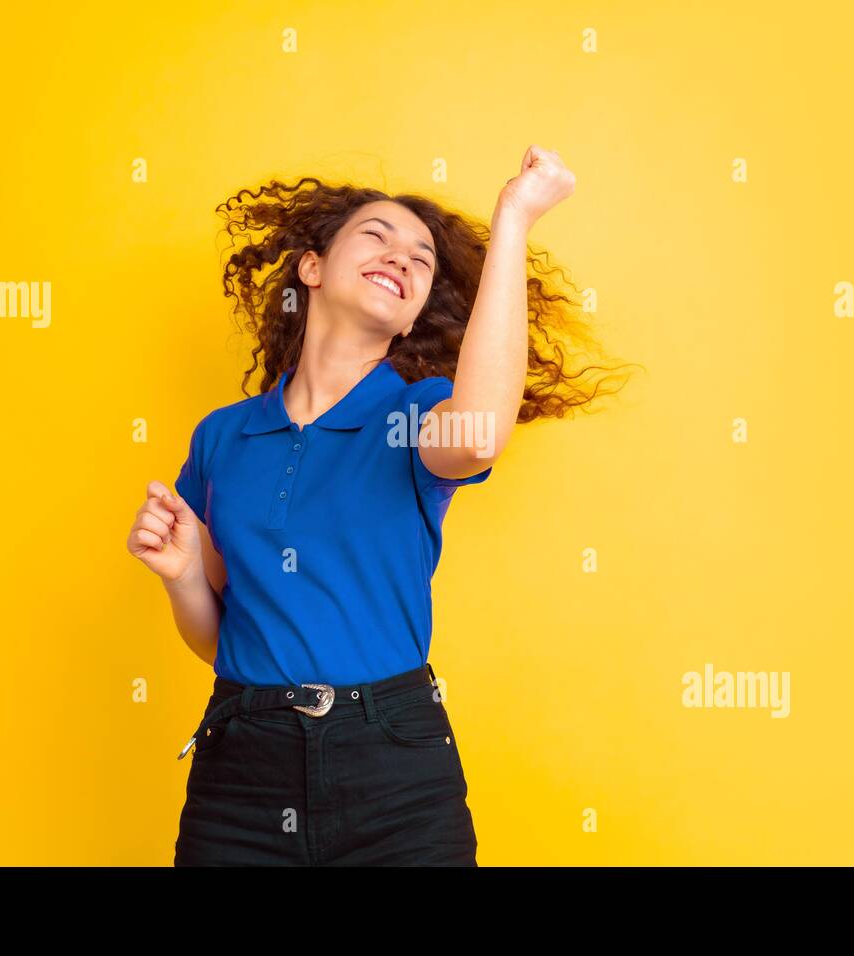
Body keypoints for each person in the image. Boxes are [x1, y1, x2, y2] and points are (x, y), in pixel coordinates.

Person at [127, 145, 624, 865]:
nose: (403, 257)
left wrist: (514, 219)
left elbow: (482, 433)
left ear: (414, 313)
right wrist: (179, 575)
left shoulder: (415, 418)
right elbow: (225, 639)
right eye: (377, 235)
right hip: (241, 768)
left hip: (393, 768)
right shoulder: (223, 438)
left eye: (422, 260)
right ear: (312, 268)